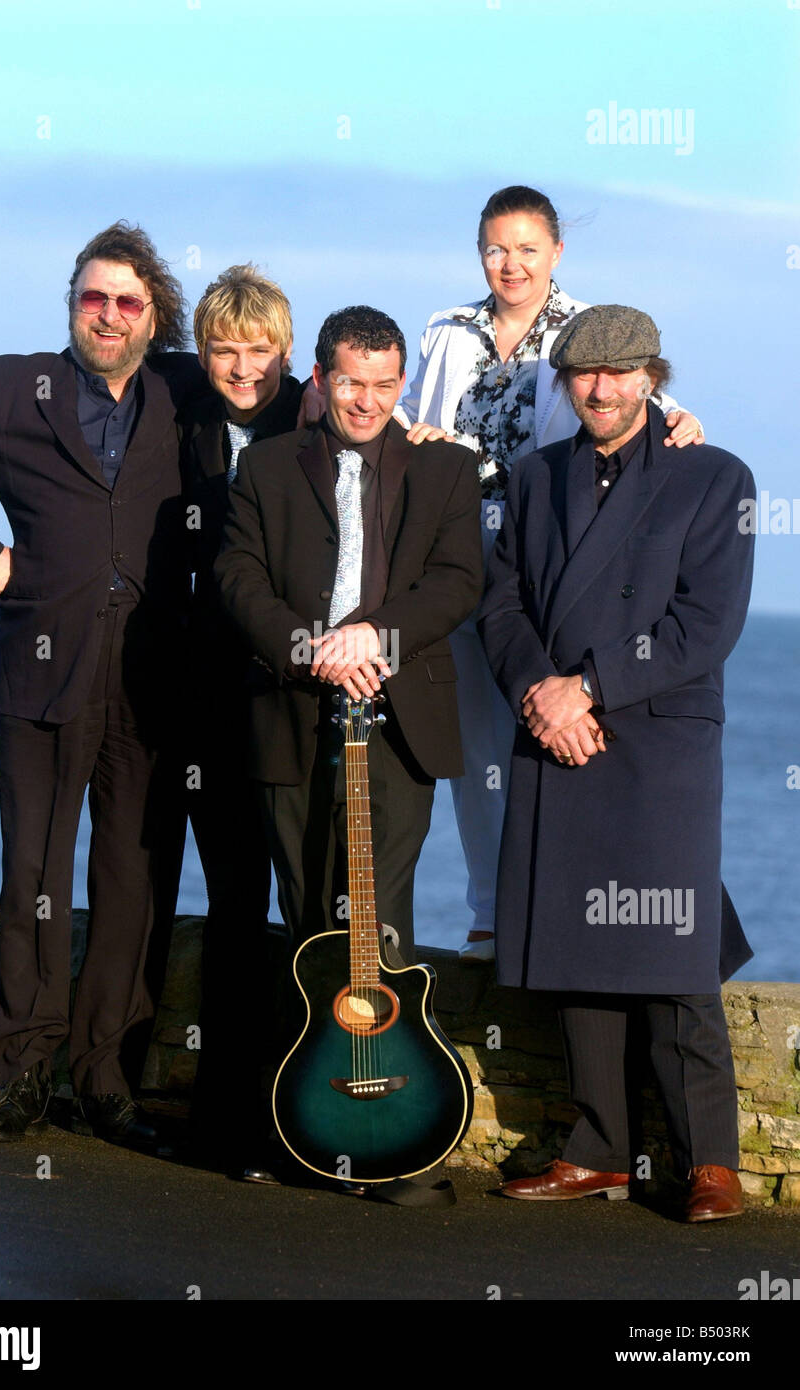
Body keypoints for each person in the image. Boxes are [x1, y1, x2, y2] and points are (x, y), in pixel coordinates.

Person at [0, 222, 206, 1143]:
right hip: (38, 668)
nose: (107, 316)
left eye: (126, 301)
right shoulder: (8, 385)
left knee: (132, 876)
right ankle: (19, 1077)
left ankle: (106, 1081)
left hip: (152, 675)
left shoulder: (180, 388)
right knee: (31, 871)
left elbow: (278, 402)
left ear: (154, 316)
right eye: (91, 297)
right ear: (72, 301)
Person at [479, 304, 754, 1221]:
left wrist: (585, 688)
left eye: (618, 373)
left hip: (657, 736)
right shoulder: (531, 477)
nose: (599, 389)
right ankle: (596, 1150)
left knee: (672, 947)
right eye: (581, 376)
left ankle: (708, 1161)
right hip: (553, 729)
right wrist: (537, 693)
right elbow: (501, 603)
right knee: (573, 947)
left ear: (651, 374)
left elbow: (705, 624)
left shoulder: (713, 478)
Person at [215, 305, 482, 1199]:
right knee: (300, 921)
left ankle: (393, 1142)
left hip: (398, 716)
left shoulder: (446, 469)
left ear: (400, 382)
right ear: (321, 379)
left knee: (384, 918)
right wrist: (310, 649)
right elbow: (236, 575)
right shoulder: (265, 465)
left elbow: (457, 582)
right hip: (292, 711)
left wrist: (370, 638)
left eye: (382, 384)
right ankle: (300, 1125)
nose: (365, 401)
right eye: (349, 383)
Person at [400, 185, 705, 962]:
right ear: (479, 252)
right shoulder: (446, 330)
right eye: (496, 248)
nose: (511, 264)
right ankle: (487, 916)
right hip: (451, 555)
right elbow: (401, 413)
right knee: (474, 755)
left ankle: (550, 912)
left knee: (538, 734)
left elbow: (631, 396)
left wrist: (681, 417)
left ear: (556, 252)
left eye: (527, 248)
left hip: (544, 560)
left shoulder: (579, 328)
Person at [179, 265, 302, 1168]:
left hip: (291, 700)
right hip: (194, 700)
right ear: (200, 351)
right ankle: (222, 1119)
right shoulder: (173, 408)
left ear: (287, 351)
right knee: (229, 908)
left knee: (299, 913)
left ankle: (303, 1119)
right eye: (225, 349)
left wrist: (673, 420)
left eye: (260, 350)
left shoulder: (314, 411)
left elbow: (409, 446)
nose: (243, 367)